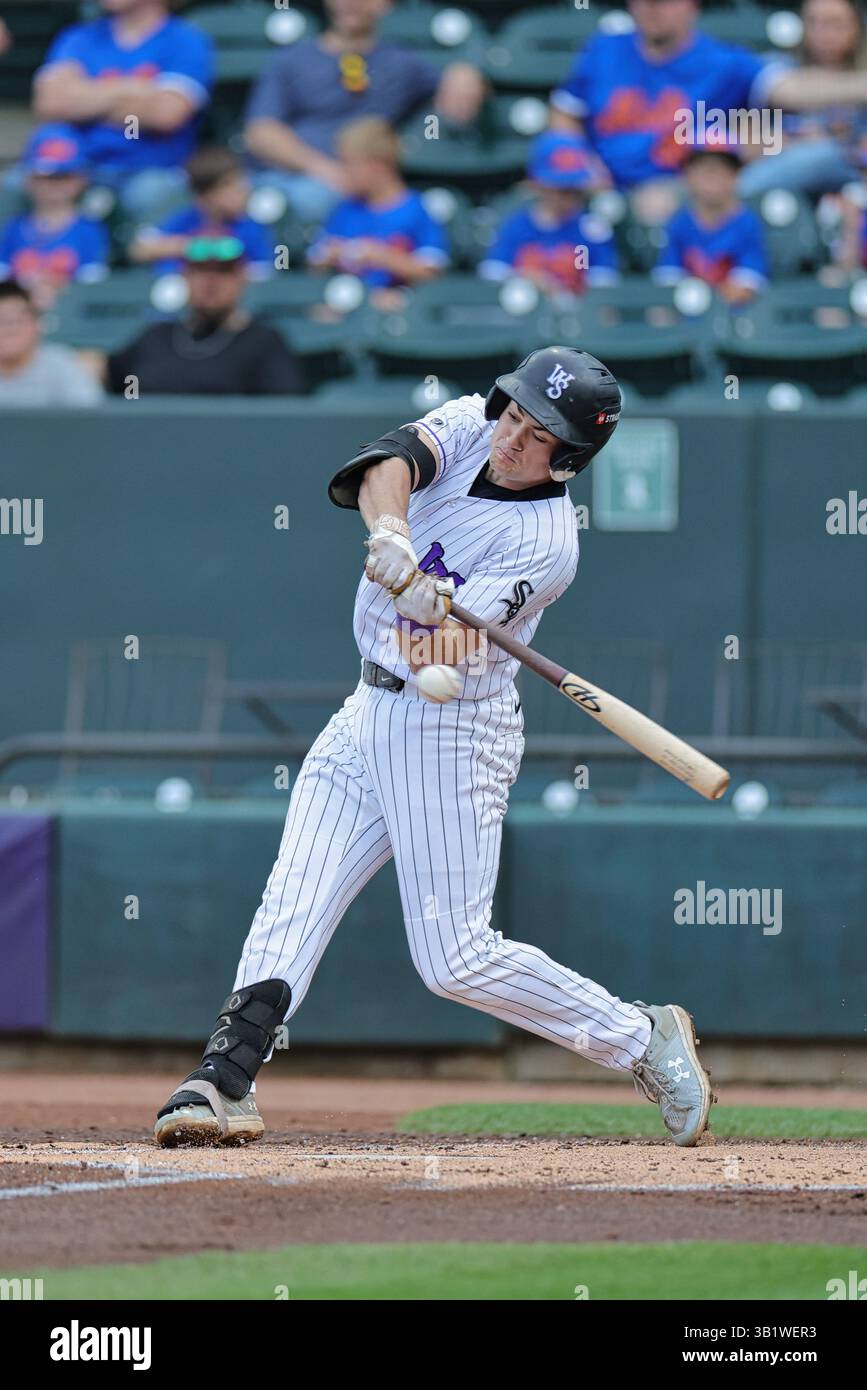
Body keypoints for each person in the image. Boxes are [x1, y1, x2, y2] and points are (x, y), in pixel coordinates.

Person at [153, 345, 715, 1152]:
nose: (514, 438)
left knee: (453, 959)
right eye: (515, 415)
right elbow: (389, 464)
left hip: (450, 732)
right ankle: (224, 1079)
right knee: (294, 896)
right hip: (364, 710)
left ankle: (641, 1036)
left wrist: (428, 612)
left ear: (572, 458)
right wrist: (391, 535)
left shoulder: (546, 546)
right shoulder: (472, 421)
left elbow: (439, 662)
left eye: (539, 433)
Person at [549, 0, 867, 221]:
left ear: (692, 6)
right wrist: (578, 162)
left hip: (687, 194)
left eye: (663, 2)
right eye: (644, 1)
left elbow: (792, 89)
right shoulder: (604, 49)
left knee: (814, 155)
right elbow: (564, 112)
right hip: (600, 193)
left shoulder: (722, 62)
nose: (651, 8)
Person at [244, 0, 485, 224]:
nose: (352, 3)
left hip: (369, 185)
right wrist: (327, 171)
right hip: (297, 180)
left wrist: (464, 73)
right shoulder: (290, 60)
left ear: (386, 4)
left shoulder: (403, 63)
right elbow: (261, 133)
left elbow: (454, 89)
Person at [31, 0, 213, 219]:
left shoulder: (185, 41)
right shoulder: (79, 37)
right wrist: (134, 88)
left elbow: (165, 115)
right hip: (77, 166)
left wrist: (83, 97)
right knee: (16, 183)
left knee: (152, 193)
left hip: (148, 168)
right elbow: (50, 104)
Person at [102, 237, 304, 396]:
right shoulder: (155, 338)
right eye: (201, 270)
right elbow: (110, 379)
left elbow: (280, 418)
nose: (211, 281)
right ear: (185, 276)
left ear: (242, 279)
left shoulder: (264, 342)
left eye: (223, 271)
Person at [307, 117, 448, 305]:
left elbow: (431, 273)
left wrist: (380, 256)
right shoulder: (344, 210)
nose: (343, 172)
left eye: (349, 165)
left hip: (401, 310)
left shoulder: (416, 210)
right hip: (348, 306)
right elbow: (315, 264)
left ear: (378, 167)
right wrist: (332, 254)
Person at [741, 0, 867, 197]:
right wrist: (789, 141)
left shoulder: (862, 71)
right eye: (813, 22)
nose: (823, 34)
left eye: (834, 23)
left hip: (852, 180)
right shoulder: (779, 66)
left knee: (824, 153)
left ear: (857, 27)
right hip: (782, 182)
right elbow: (744, 140)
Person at [479, 132, 619, 296]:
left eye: (574, 189)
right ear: (538, 184)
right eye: (561, 189)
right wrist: (527, 279)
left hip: (576, 315)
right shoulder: (515, 225)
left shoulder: (591, 231)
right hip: (522, 314)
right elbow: (491, 277)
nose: (568, 197)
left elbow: (603, 288)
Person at [0, 125, 109, 308]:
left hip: (69, 313)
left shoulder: (89, 230)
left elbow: (93, 285)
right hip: (19, 311)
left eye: (63, 177)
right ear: (28, 179)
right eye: (45, 177)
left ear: (81, 180)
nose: (54, 185)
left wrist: (54, 285)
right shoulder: (14, 227)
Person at [129, 147, 273, 278]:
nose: (244, 192)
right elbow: (140, 250)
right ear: (206, 195)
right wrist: (196, 247)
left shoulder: (249, 227)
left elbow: (262, 271)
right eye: (232, 187)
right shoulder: (186, 220)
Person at [654, 145, 768, 303]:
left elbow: (747, 285)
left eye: (721, 168)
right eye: (703, 169)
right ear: (687, 175)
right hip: (687, 318)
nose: (712, 176)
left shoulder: (747, 223)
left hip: (735, 319)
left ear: (735, 176)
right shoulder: (678, 223)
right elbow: (667, 281)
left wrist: (701, 296)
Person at [0, 279, 104, 407]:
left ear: (37, 324)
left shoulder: (60, 362)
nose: (10, 330)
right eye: (2, 321)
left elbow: (91, 415)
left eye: (19, 320)